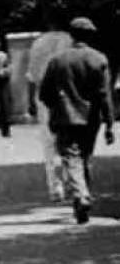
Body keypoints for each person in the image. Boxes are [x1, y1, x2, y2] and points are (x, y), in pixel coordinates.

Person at [39, 17, 115, 224]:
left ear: (71, 35)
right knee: (85, 158)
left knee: (71, 158)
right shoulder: (98, 59)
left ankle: (81, 196)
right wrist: (109, 124)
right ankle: (82, 205)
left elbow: (44, 93)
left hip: (65, 117)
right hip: (91, 119)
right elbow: (104, 95)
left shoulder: (58, 60)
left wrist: (56, 106)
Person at [26, 15, 73, 202]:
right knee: (68, 140)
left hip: (43, 95)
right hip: (66, 95)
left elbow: (31, 76)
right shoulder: (69, 40)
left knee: (48, 143)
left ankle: (55, 187)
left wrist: (31, 100)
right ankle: (71, 183)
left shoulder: (38, 43)